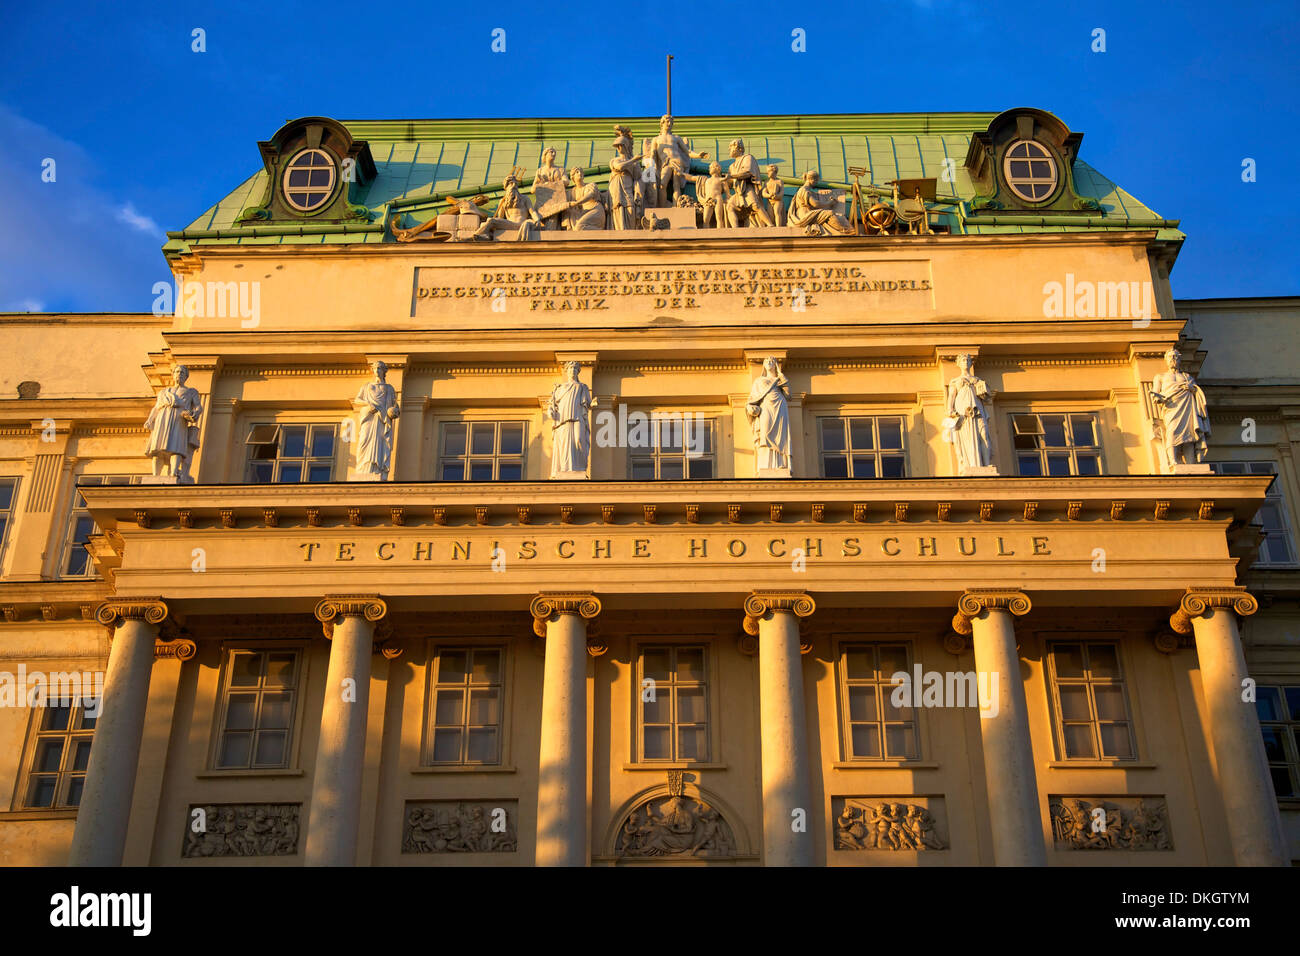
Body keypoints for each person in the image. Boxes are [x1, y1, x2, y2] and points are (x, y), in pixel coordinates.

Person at [1151, 346, 1210, 467]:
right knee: (1172, 432)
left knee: (1189, 435)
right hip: (1171, 408)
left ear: (1179, 360)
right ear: (1166, 360)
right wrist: (1157, 398)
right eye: (1170, 357)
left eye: (1175, 357)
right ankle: (1173, 461)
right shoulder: (1160, 377)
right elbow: (1156, 393)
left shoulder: (1187, 376)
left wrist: (1191, 388)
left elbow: (1196, 391)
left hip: (1188, 407)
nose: (1173, 359)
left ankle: (1191, 463)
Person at [144, 364, 202, 480]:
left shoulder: (191, 392)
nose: (179, 374)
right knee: (157, 449)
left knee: (177, 447)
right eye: (177, 372)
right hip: (163, 418)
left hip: (179, 419)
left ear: (186, 376)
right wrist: (150, 420)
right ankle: (156, 476)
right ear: (173, 374)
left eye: (182, 373)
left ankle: (173, 474)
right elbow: (156, 408)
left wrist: (194, 415)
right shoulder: (164, 392)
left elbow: (198, 407)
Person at [944, 353, 993, 472]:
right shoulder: (955, 381)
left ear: (971, 363)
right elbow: (951, 397)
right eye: (963, 360)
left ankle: (986, 465)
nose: (965, 362)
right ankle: (968, 464)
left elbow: (987, 399)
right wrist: (950, 411)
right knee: (965, 438)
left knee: (984, 436)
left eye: (968, 360)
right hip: (963, 413)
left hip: (978, 411)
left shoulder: (978, 380)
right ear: (958, 364)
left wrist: (984, 392)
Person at [353, 360, 400, 478]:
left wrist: (394, 411)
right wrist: (369, 405)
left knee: (380, 443)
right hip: (369, 416)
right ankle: (363, 469)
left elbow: (395, 405)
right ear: (373, 370)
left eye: (380, 368)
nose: (377, 370)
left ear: (384, 371)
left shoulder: (389, 388)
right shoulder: (367, 386)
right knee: (364, 441)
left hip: (382, 419)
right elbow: (358, 400)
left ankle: (378, 469)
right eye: (375, 368)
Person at [547, 361, 595, 476]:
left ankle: (578, 468)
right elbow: (553, 405)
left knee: (579, 440)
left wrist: (593, 404)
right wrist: (551, 412)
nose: (572, 371)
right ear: (567, 371)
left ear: (577, 372)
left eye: (574, 369)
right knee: (564, 445)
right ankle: (565, 469)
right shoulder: (560, 388)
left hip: (578, 418)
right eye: (570, 369)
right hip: (563, 420)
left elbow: (588, 403)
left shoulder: (582, 387)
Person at [652, 114, 708, 206]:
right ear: (662, 123)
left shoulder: (676, 138)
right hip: (666, 163)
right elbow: (652, 154)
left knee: (676, 185)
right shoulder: (656, 139)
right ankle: (661, 208)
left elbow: (687, 152)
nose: (669, 124)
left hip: (677, 161)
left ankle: (675, 207)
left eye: (671, 122)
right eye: (667, 121)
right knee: (662, 185)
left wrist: (698, 155)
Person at [746, 356, 790, 472]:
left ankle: (781, 464)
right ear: (764, 365)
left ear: (775, 364)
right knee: (764, 434)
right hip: (765, 407)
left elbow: (788, 395)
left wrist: (782, 377)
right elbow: (752, 399)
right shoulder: (759, 381)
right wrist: (751, 408)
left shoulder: (780, 380)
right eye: (767, 361)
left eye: (772, 361)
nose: (769, 362)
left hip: (780, 407)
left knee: (781, 437)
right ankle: (765, 465)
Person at [472, 172, 542, 241]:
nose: (512, 185)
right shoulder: (503, 201)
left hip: (520, 224)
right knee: (488, 221)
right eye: (510, 183)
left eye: (514, 183)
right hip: (509, 225)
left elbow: (532, 212)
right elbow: (500, 218)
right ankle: (484, 235)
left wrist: (537, 220)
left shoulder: (525, 198)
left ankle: (478, 235)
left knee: (491, 221)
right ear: (506, 188)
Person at [725, 139, 774, 227]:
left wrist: (732, 176)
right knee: (730, 206)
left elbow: (747, 173)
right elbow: (730, 182)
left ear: (739, 148)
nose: (729, 149)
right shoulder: (731, 166)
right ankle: (735, 230)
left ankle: (770, 225)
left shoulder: (748, 158)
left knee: (755, 206)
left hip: (747, 188)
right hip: (738, 192)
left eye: (731, 146)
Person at [789, 170, 854, 236]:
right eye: (816, 181)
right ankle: (847, 231)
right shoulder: (804, 190)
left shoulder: (806, 190)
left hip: (809, 213)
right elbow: (815, 204)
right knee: (830, 213)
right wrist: (830, 203)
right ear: (812, 179)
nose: (816, 183)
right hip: (805, 215)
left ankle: (847, 230)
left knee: (838, 216)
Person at [609, 126, 640, 230]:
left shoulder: (634, 163)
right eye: (618, 146)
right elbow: (620, 167)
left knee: (631, 209)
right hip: (617, 187)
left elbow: (638, 178)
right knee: (619, 208)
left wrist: (638, 193)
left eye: (621, 145)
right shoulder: (614, 160)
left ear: (626, 146)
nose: (618, 148)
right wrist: (634, 160)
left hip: (628, 187)